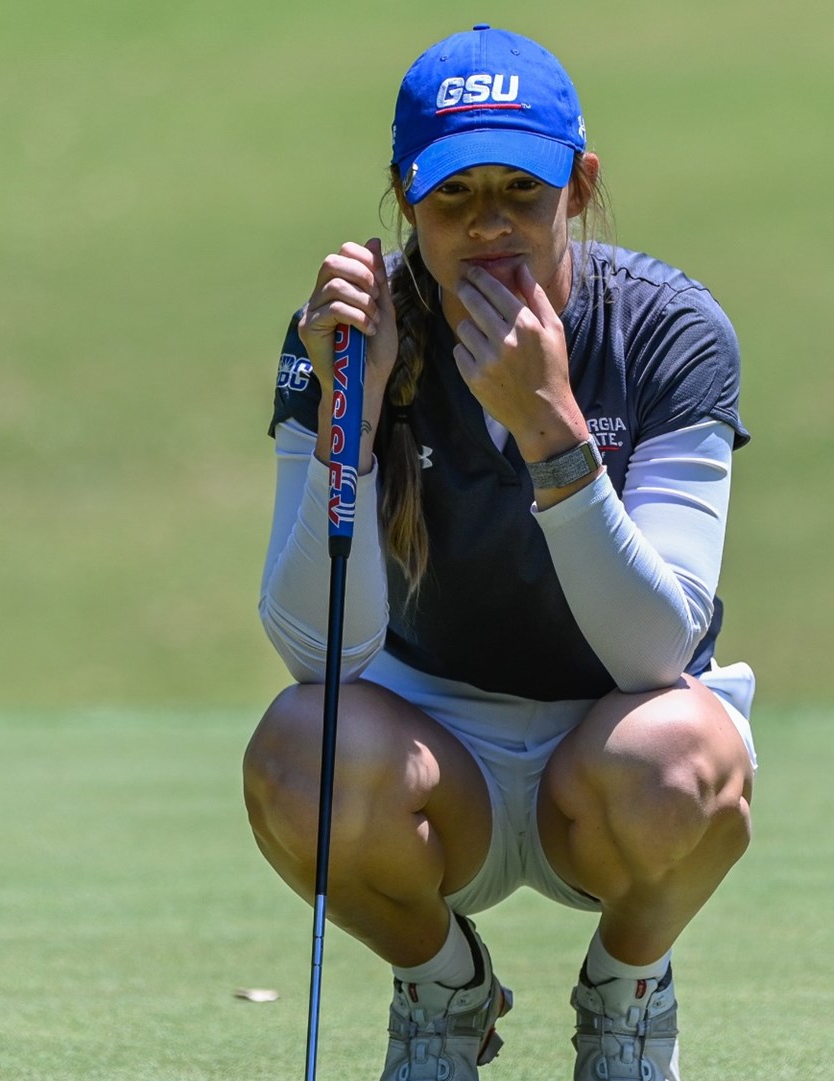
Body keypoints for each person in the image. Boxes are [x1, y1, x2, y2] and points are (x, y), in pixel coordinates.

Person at [246, 24, 756, 1081]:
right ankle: (443, 990)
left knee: (687, 763)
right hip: (434, 756)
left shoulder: (671, 333)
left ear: (578, 185)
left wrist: (551, 434)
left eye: (519, 191)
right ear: (403, 198)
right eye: (453, 196)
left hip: (614, 747)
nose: (488, 227)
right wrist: (350, 413)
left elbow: (660, 649)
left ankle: (625, 993)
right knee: (297, 753)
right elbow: (316, 656)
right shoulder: (347, 335)